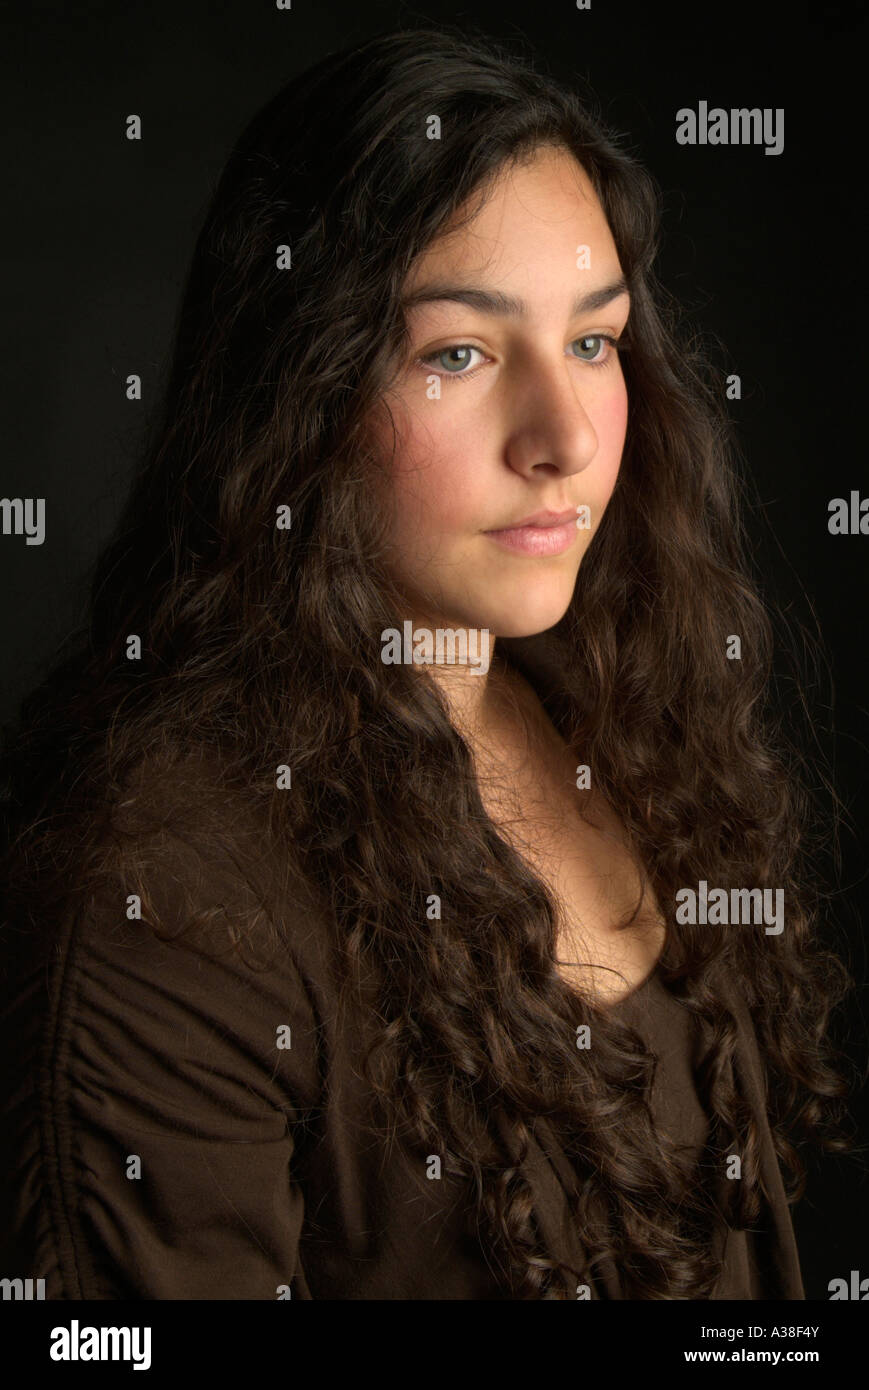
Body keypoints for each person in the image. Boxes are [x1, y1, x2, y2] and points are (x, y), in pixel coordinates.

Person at [0, 25, 852, 1300]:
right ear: (303, 387)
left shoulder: (604, 718)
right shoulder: (165, 904)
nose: (562, 437)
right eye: (456, 352)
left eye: (593, 341)